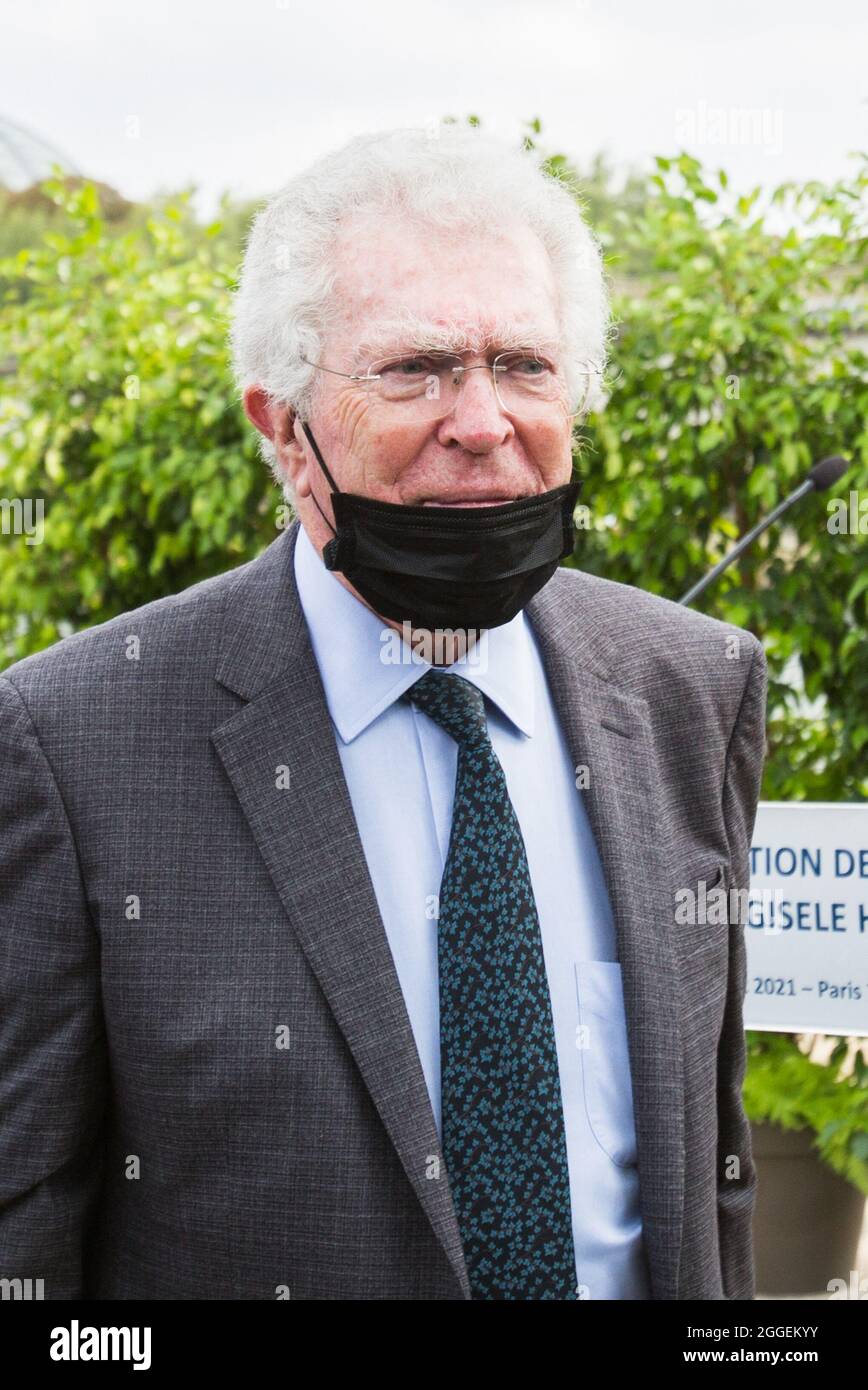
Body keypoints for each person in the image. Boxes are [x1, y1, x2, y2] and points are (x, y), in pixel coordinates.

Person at [0, 125, 767, 1300]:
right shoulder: (76, 740)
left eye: (524, 364)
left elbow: (704, 1179)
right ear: (280, 427)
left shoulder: (689, 688)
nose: (480, 419)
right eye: (414, 369)